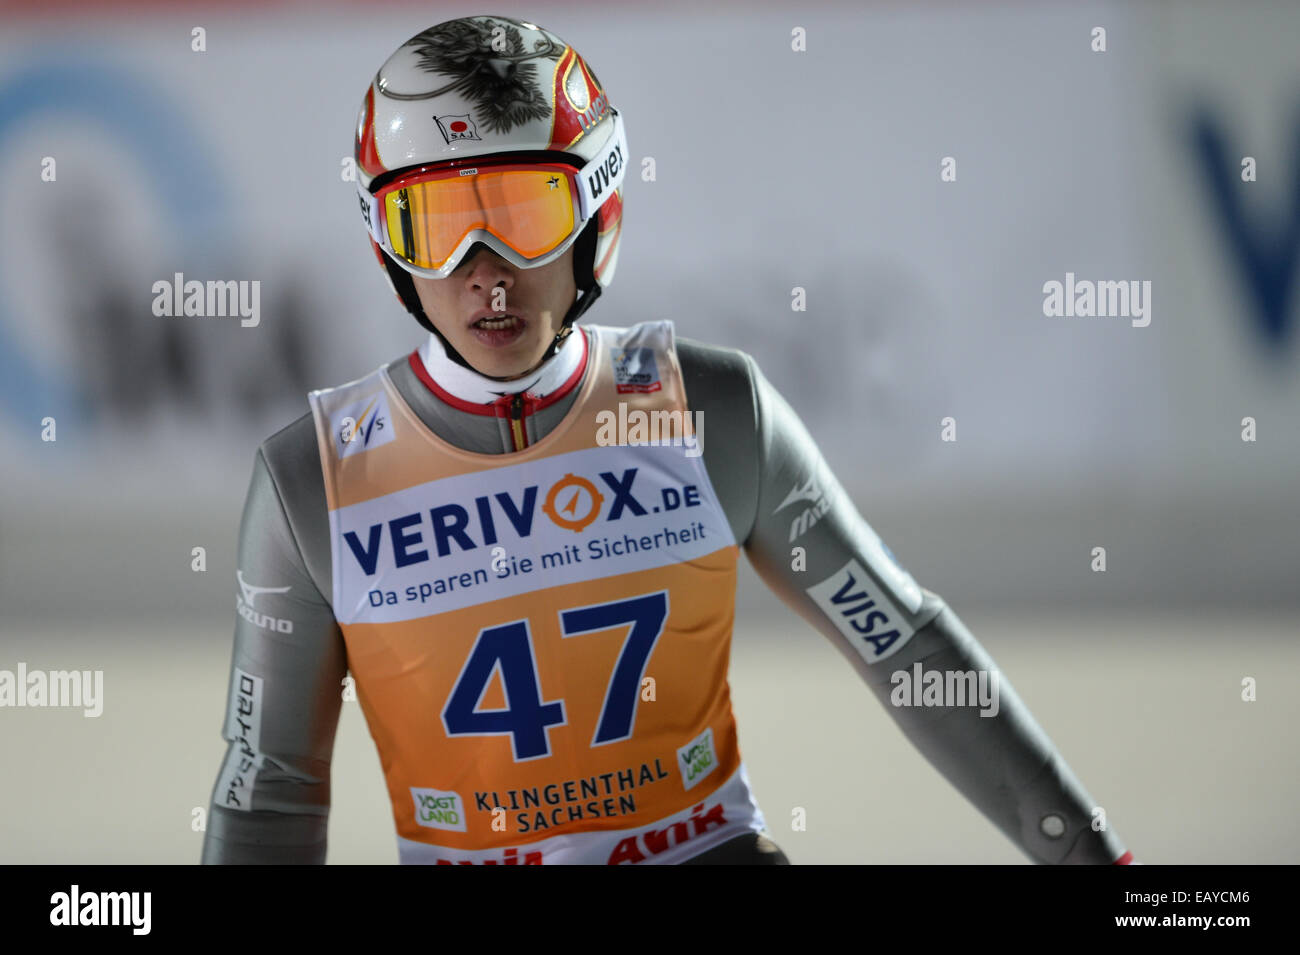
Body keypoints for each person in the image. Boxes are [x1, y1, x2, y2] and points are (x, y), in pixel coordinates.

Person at [201, 15, 1135, 866]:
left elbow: (905, 650)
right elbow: (271, 790)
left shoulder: (708, 408)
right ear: (386, 241)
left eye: (525, 214)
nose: (483, 273)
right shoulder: (311, 479)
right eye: (437, 223)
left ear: (597, 216)